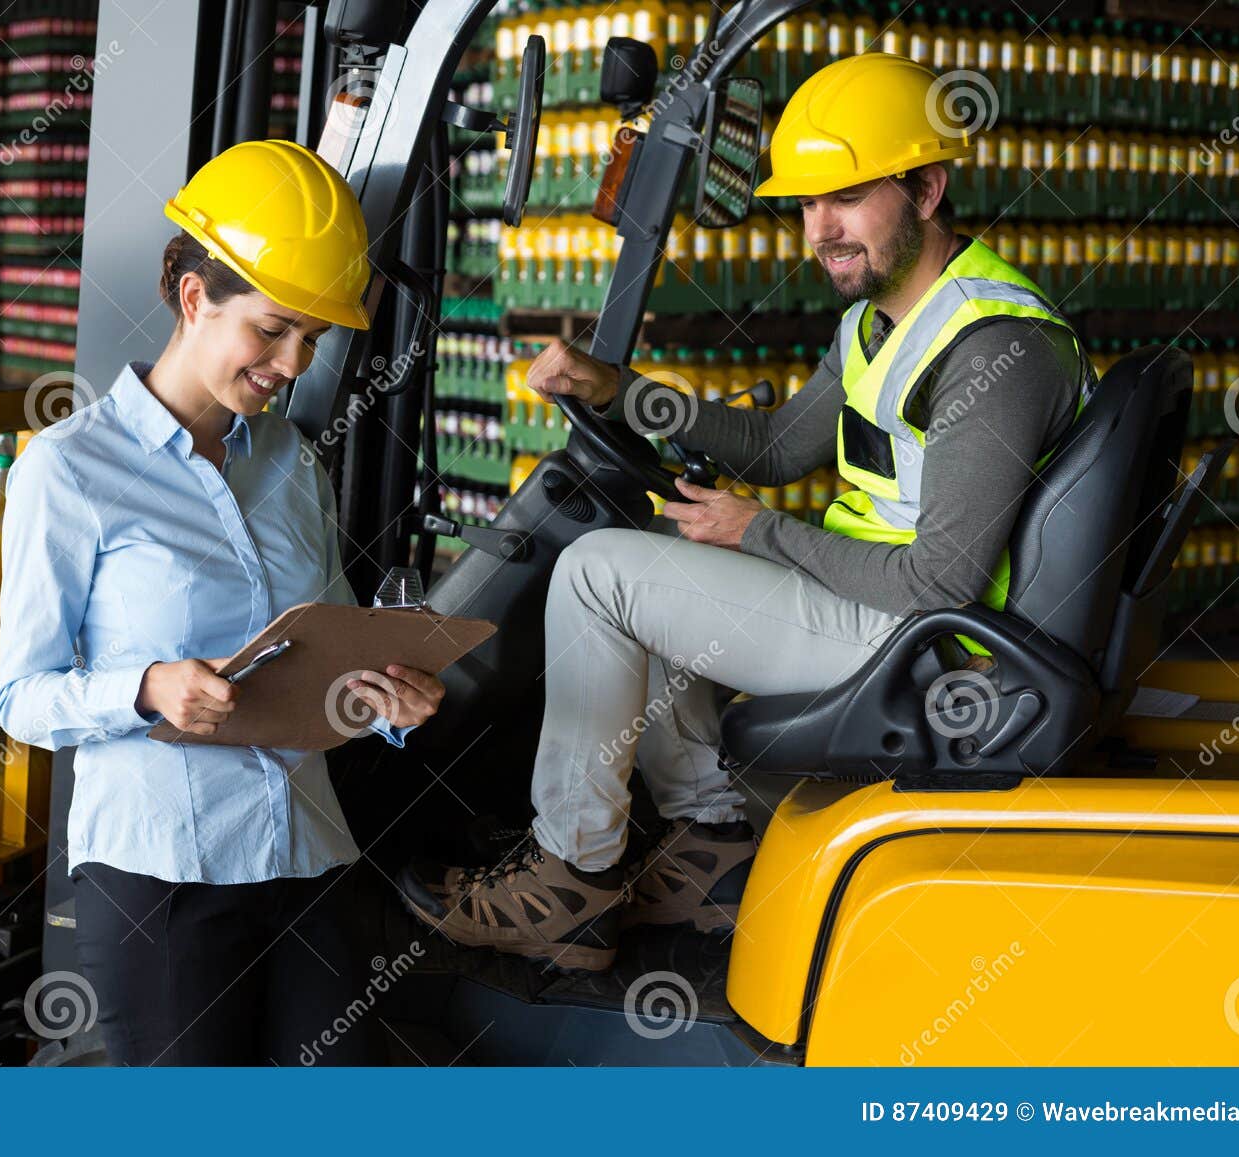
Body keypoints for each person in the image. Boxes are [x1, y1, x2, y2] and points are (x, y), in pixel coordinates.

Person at [399, 53, 1096, 973]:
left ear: (927, 188)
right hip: (891, 613)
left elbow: (940, 580)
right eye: (806, 204)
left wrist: (754, 529)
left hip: (939, 645)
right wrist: (621, 391)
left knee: (597, 572)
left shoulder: (993, 349)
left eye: (845, 197)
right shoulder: (877, 324)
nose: (821, 230)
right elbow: (774, 448)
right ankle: (712, 848)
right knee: (642, 555)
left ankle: (571, 878)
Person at [0, 140, 445, 1063]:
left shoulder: (290, 463)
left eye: (312, 340)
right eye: (273, 329)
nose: (292, 361)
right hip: (165, 882)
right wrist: (148, 686)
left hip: (305, 855)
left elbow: (326, 650)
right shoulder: (71, 470)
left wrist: (388, 698)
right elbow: (21, 699)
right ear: (195, 298)